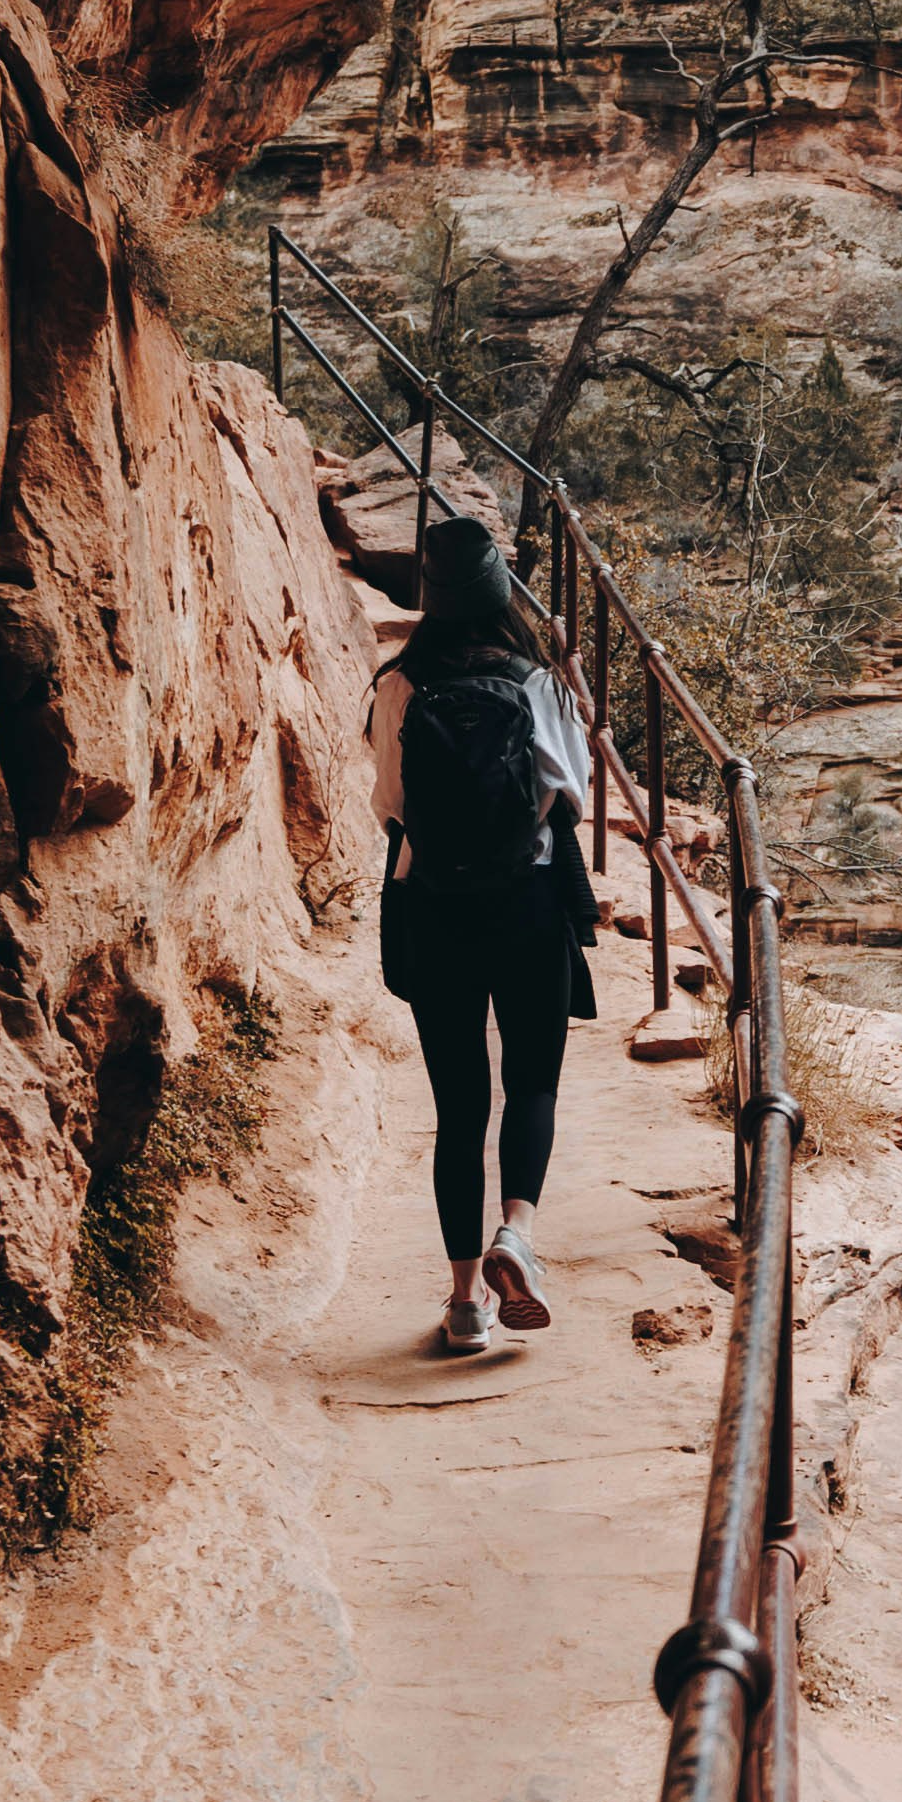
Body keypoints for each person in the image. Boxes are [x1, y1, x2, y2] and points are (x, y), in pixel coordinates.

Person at [371, 512, 598, 1350]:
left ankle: (465, 1304)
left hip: (434, 905)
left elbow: (390, 805)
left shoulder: (397, 685)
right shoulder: (538, 683)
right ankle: (516, 1235)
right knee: (532, 1080)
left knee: (459, 1107)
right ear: (502, 593)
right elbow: (571, 793)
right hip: (530, 900)